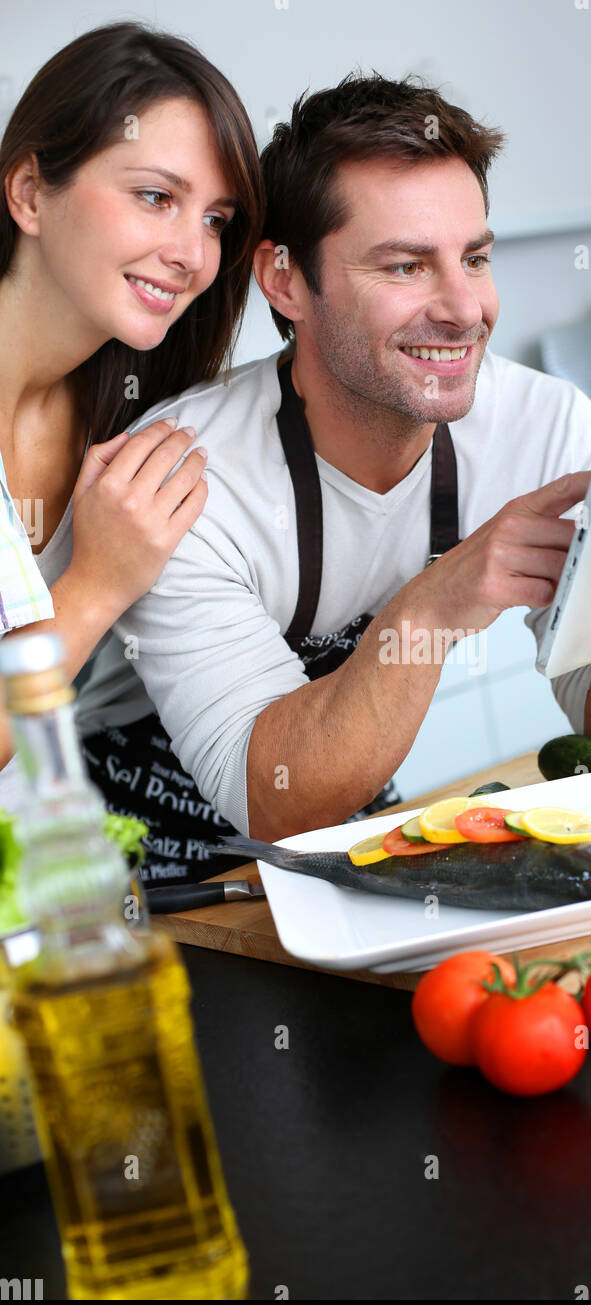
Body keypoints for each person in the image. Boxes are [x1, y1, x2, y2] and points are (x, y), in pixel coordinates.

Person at [81, 73, 591, 880]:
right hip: (141, 855)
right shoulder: (186, 476)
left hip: (345, 813)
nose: (464, 308)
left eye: (475, 259)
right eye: (405, 267)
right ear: (285, 280)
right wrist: (433, 604)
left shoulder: (546, 427)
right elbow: (275, 800)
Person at [0, 22, 264, 825]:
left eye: (216, 219)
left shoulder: (126, 410)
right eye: (157, 197)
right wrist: (97, 584)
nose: (194, 255)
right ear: (29, 193)